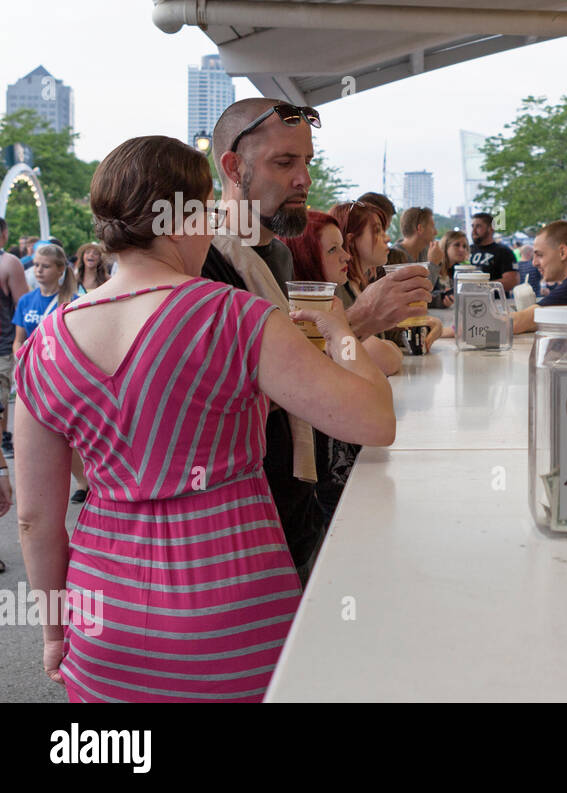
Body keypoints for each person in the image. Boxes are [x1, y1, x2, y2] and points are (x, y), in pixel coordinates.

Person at [15, 134, 394, 701]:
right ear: (182, 218)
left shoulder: (45, 344)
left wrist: (52, 633)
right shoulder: (237, 317)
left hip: (102, 619)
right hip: (232, 613)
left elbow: (35, 520)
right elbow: (373, 420)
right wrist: (341, 329)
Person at [202, 97, 429, 580]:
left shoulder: (280, 257)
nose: (303, 179)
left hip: (296, 499)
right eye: (284, 162)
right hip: (240, 519)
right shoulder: (206, 262)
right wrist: (359, 320)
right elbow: (258, 383)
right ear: (232, 166)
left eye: (307, 161)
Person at [282, 210, 402, 523]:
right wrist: (349, 329)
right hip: (322, 490)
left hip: (341, 475)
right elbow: (384, 356)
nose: (345, 255)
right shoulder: (307, 313)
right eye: (333, 249)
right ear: (306, 255)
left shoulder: (334, 303)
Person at [14, 244, 93, 502]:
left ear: (60, 269)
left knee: (72, 434)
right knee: (52, 436)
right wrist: (21, 360)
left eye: (45, 266)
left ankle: (88, 479)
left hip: (66, 378)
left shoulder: (72, 301)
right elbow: (19, 339)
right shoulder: (26, 301)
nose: (38, 270)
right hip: (37, 380)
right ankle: (80, 481)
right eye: (35, 265)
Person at [330, 199, 441, 352]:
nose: (387, 238)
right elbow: (347, 351)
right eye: (377, 231)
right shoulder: (337, 292)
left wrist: (428, 324)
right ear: (352, 240)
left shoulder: (361, 286)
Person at [0, 218, 29, 461]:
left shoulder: (9, 263)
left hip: (2, 346)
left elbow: (24, 307)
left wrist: (21, 345)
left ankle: (3, 439)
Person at [469, 212, 518, 293]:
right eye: (472, 226)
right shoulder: (468, 249)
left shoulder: (503, 251)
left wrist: (481, 286)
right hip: (468, 300)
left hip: (494, 302)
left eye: (478, 226)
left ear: (491, 228)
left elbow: (512, 281)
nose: (473, 231)